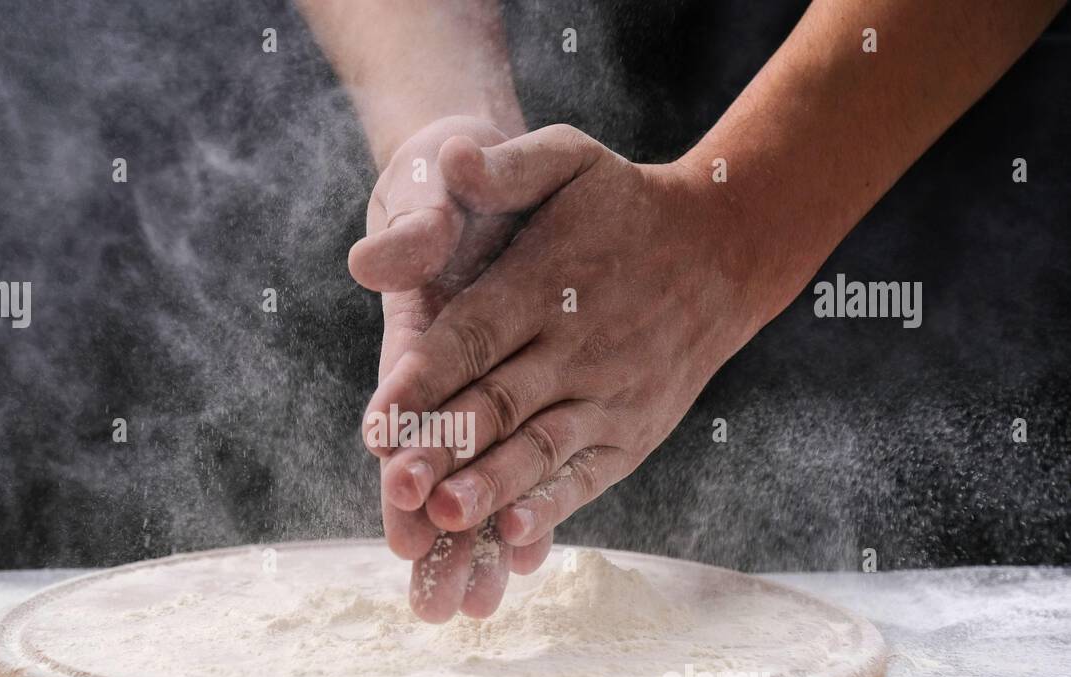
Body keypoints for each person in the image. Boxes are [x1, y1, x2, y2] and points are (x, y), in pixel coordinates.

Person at [297, 0, 1064, 622]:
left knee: (936, 666)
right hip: (552, 183)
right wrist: (456, 145)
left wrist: (735, 226)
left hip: (900, 166)